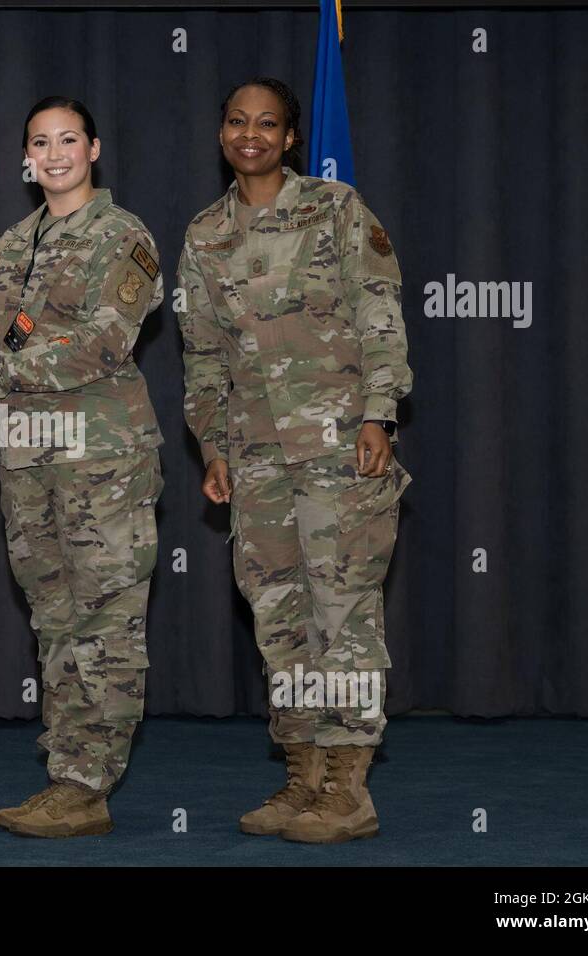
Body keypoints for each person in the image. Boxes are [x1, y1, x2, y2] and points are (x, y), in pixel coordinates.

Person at [176, 77, 412, 843]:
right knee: (279, 618)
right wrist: (212, 445)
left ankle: (349, 788)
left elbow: (380, 312)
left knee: (342, 615)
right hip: (255, 457)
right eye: (238, 122)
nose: (251, 135)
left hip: (341, 445)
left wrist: (380, 413)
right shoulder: (204, 235)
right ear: (222, 135)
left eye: (267, 124)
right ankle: (302, 776)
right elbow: (202, 355)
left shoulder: (336, 210)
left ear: (289, 138)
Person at [0, 96, 164, 838]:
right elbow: (11, 339)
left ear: (94, 148)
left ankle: (87, 784)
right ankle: (67, 772)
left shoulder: (124, 235)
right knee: (55, 618)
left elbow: (108, 342)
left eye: (69, 139)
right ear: (26, 156)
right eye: (41, 141)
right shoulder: (15, 242)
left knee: (106, 620)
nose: (55, 152)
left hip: (100, 457)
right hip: (28, 455)